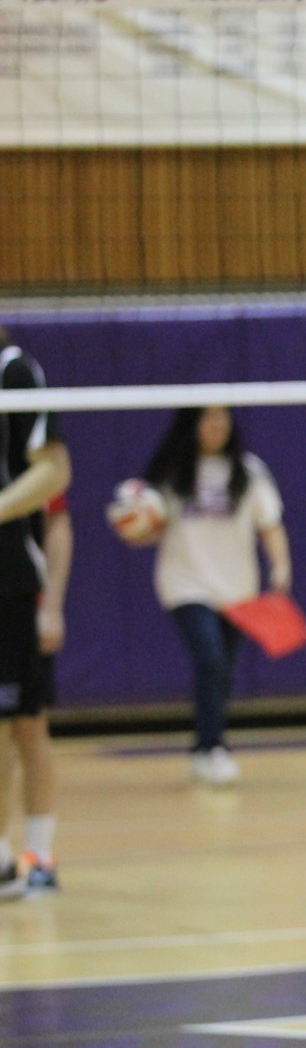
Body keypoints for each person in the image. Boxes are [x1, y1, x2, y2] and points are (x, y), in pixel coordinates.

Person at [132, 406, 292, 786]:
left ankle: (205, 749)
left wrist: (281, 566)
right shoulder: (172, 473)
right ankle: (213, 747)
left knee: (222, 671)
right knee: (210, 656)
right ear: (193, 424)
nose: (218, 425)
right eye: (209, 417)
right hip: (185, 582)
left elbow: (269, 523)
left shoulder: (249, 470)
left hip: (237, 587)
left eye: (223, 417)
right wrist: (134, 524)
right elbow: (149, 530)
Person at [0, 328, 71, 900]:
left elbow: (53, 471)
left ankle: (33, 856)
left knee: (21, 723)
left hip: (8, 581)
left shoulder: (15, 371)